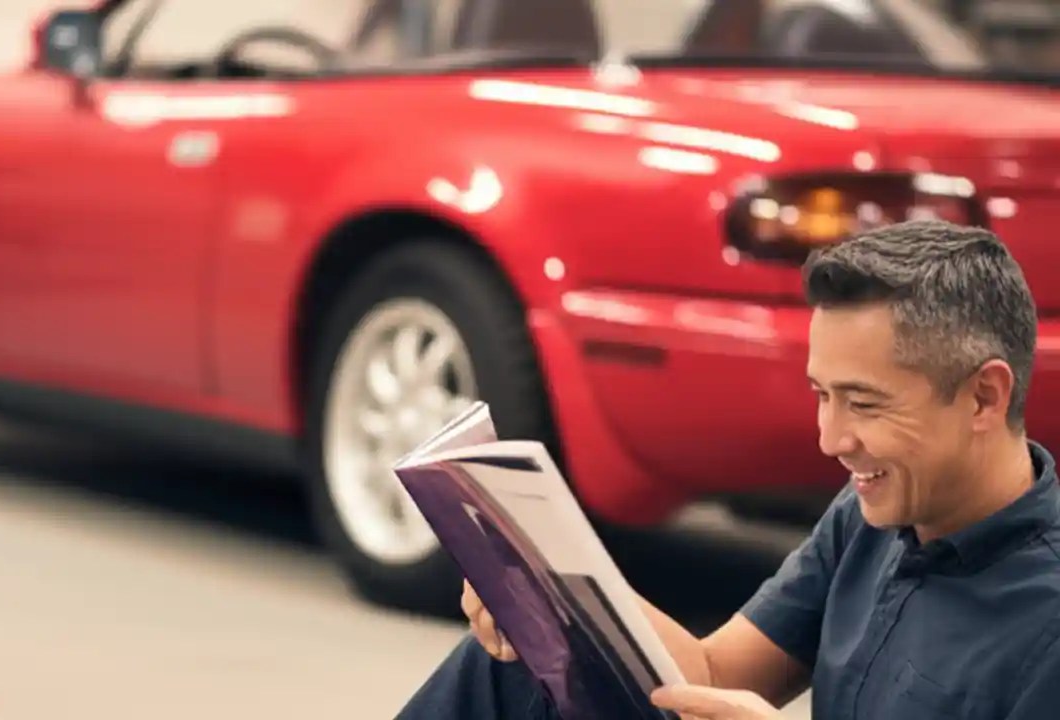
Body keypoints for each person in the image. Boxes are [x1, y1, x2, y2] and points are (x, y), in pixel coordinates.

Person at [395, 219, 1060, 719]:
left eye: (864, 403)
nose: (831, 438)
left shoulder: (1044, 624)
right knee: (518, 670)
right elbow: (715, 674)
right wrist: (554, 592)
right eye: (822, 395)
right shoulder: (870, 516)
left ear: (984, 396)